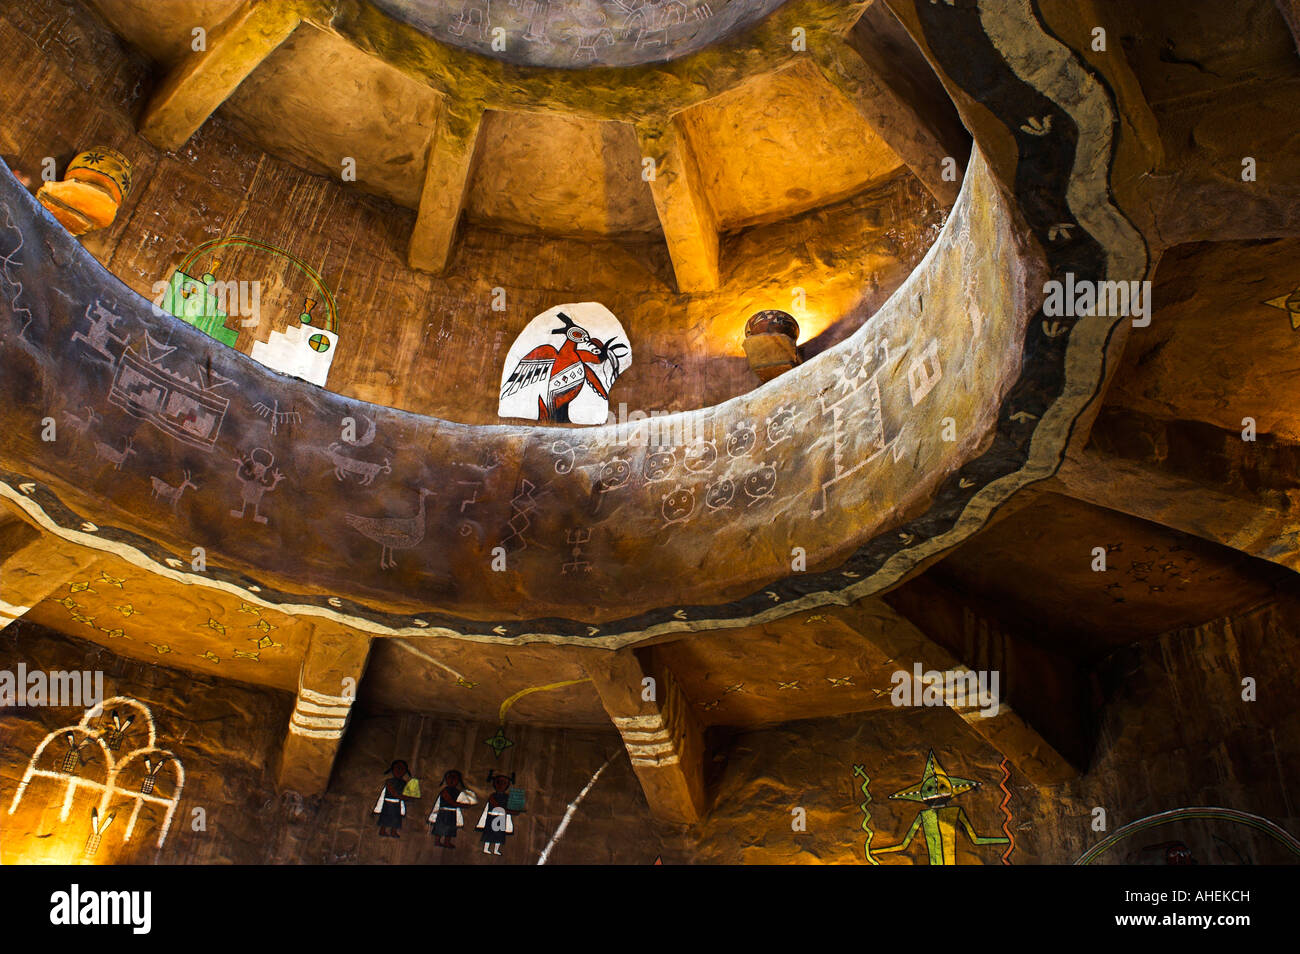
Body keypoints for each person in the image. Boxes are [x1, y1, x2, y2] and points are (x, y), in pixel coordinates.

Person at [428, 769, 478, 848]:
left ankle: (447, 842)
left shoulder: (457, 792)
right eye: (450, 778)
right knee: (440, 827)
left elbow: (460, 800)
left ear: (458, 780)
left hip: (452, 813)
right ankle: (437, 841)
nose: (452, 780)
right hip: (443, 813)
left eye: (454, 778)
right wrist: (463, 806)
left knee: (450, 828)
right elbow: (451, 801)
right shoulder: (445, 791)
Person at [476, 770, 521, 856]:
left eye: (504, 783)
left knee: (499, 835)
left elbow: (510, 807)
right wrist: (510, 811)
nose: (501, 785)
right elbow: (498, 806)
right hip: (492, 817)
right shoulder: (492, 796)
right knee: (490, 834)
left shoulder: (507, 797)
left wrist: (515, 809)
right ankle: (486, 848)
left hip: (501, 818)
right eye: (499, 782)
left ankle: (496, 849)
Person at [373, 760, 418, 838]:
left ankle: (393, 831)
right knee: (385, 817)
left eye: (402, 769)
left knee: (396, 819)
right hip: (388, 803)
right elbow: (393, 792)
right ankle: (382, 830)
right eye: (397, 768)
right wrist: (402, 797)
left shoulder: (404, 783)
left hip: (397, 804)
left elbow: (408, 794)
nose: (399, 771)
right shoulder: (389, 781)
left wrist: (410, 796)